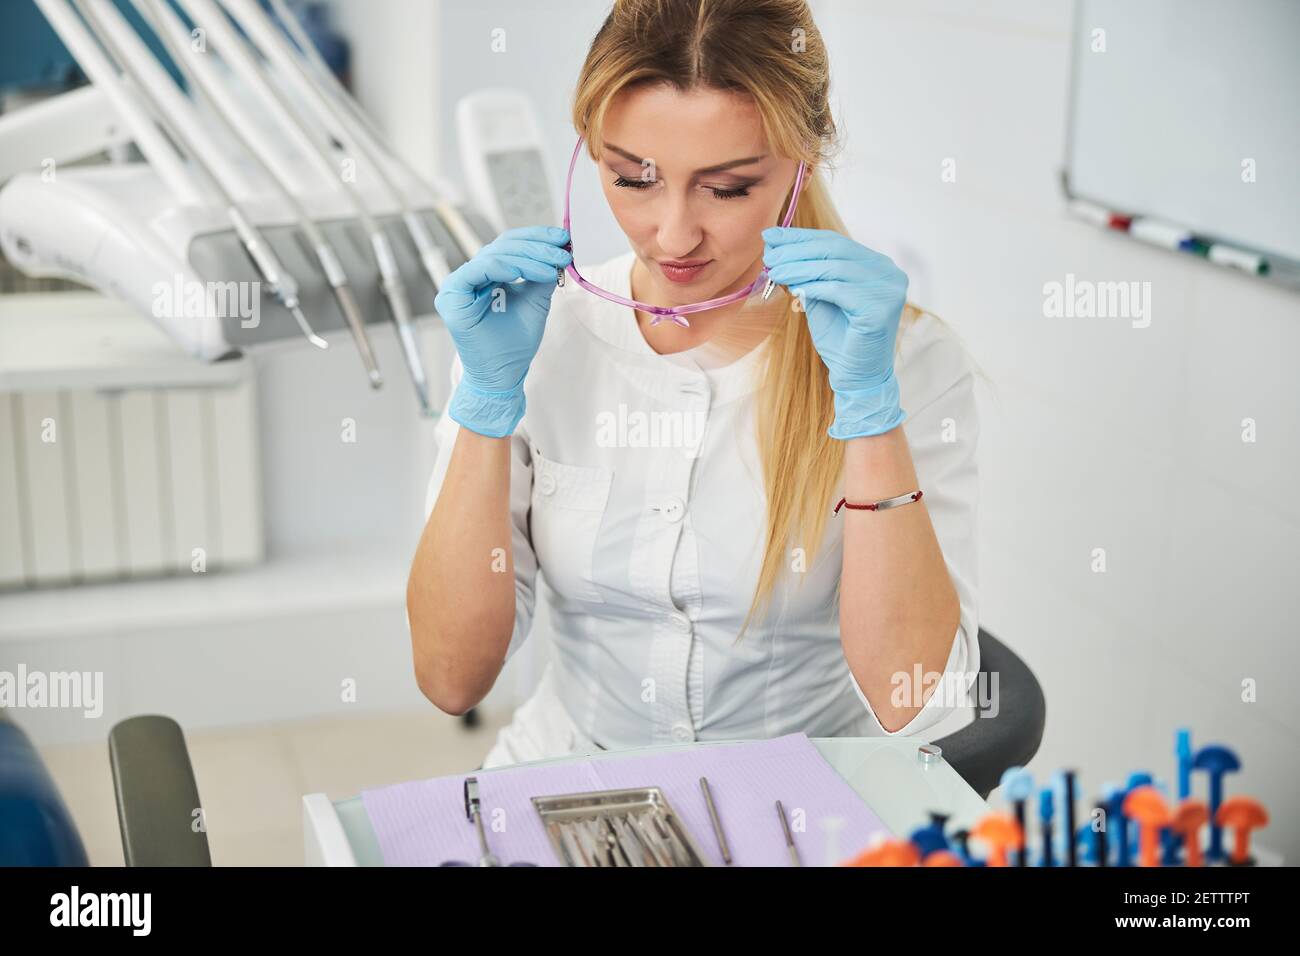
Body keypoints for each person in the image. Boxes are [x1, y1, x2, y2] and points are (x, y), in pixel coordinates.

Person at [408, 0, 981, 769]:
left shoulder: (904, 358)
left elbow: (917, 703)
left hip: (810, 794)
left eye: (729, 188)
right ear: (589, 154)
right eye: (632, 178)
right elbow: (450, 678)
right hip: (571, 767)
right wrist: (483, 405)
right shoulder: (530, 338)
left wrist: (870, 412)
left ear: (802, 162)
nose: (674, 235)